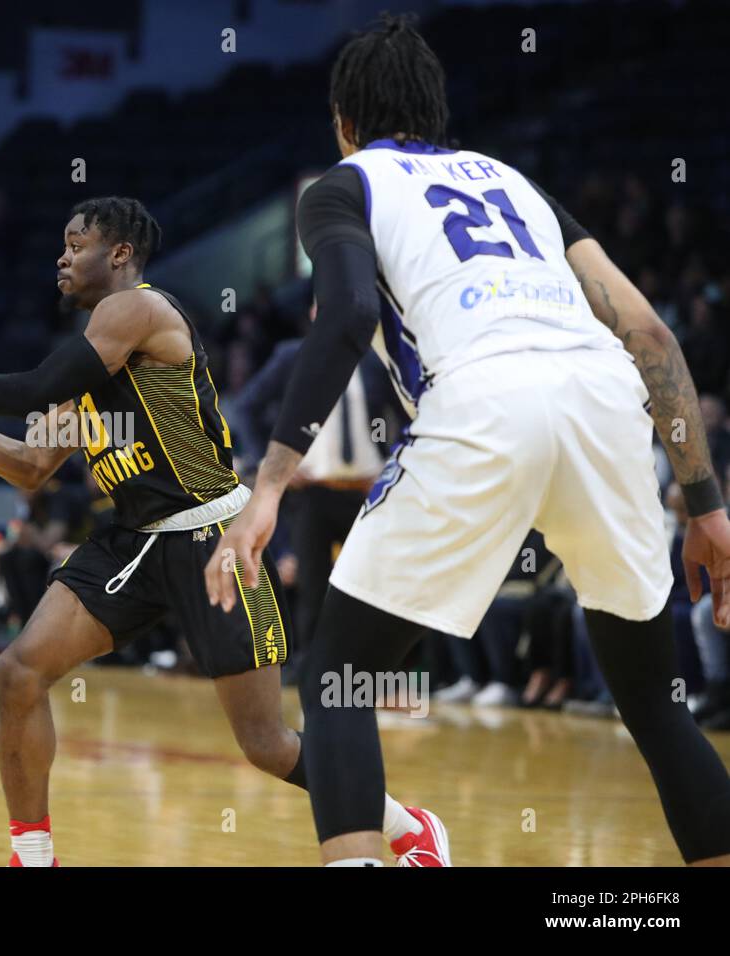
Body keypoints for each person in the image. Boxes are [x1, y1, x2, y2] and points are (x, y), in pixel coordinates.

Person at [205, 14, 730, 866]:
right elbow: (650, 334)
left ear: (344, 121)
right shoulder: (518, 184)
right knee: (654, 701)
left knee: (339, 678)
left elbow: (346, 314)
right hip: (606, 406)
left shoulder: (342, 185)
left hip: (485, 403)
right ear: (435, 110)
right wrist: (706, 507)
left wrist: (266, 487)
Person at [0, 195, 444, 866]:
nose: (61, 257)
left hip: (212, 536)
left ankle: (407, 826)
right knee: (19, 672)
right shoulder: (89, 362)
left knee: (266, 744)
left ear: (120, 254)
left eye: (75, 244)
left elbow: (32, 388)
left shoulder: (135, 310)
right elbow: (27, 466)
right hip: (133, 540)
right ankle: (33, 856)